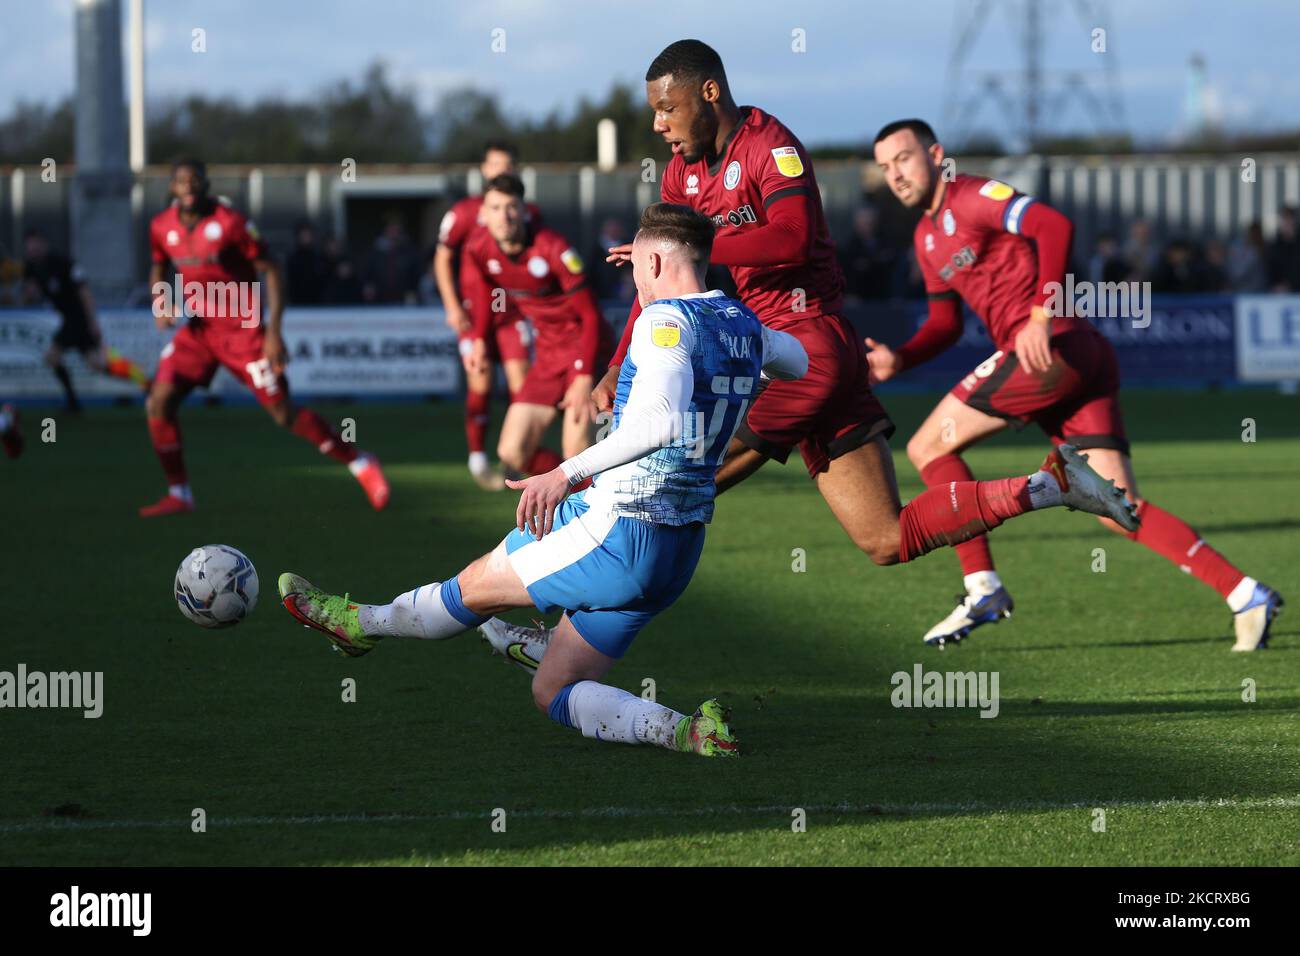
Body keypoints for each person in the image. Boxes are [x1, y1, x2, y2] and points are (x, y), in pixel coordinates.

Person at [590, 41, 1136, 581]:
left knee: (672, 482)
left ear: (709, 93)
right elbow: (657, 278)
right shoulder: (678, 177)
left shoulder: (770, 145)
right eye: (655, 112)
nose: (659, 125)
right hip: (797, 358)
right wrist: (618, 365)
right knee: (886, 537)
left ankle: (570, 606)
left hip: (805, 347)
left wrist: (701, 245)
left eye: (667, 108)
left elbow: (793, 239)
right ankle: (1049, 486)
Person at [277, 203, 809, 757]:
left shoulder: (664, 321)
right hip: (678, 551)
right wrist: (740, 371)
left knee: (467, 595)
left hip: (619, 531)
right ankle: (688, 731)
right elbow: (796, 361)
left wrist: (563, 472)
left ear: (651, 259)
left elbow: (659, 421)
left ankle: (360, 624)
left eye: (636, 269)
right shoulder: (742, 323)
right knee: (551, 690)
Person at [867, 119, 1282, 651]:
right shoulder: (926, 237)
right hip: (1075, 356)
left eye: (903, 158)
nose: (894, 174)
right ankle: (1244, 592)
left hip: (1049, 348)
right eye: (884, 166)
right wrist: (900, 358)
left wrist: (1040, 314)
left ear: (936, 154)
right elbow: (945, 325)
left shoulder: (972, 196)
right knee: (1119, 507)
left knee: (927, 446)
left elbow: (1054, 226)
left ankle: (982, 586)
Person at [139, 158, 390, 517]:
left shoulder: (231, 223)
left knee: (282, 413)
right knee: (159, 401)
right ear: (172, 189)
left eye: (196, 181)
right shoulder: (161, 226)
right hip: (200, 331)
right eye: (182, 182)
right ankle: (179, 493)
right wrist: (161, 299)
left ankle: (360, 461)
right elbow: (158, 263)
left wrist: (273, 331)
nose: (189, 187)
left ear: (206, 185)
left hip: (244, 331)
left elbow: (272, 270)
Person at [461, 174, 612, 481]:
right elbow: (486, 298)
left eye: (511, 207)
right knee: (512, 452)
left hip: (586, 350)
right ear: (484, 213)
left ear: (525, 210)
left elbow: (591, 316)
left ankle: (589, 514)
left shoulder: (553, 247)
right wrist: (478, 338)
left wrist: (584, 376)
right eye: (496, 207)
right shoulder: (479, 249)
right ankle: (577, 487)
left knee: (576, 452)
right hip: (547, 355)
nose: (504, 216)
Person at [432, 142, 541, 490]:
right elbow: (442, 258)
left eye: (508, 166)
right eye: (496, 166)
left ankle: (516, 456)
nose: (502, 172)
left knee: (521, 386)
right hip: (473, 314)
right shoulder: (464, 213)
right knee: (479, 380)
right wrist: (451, 305)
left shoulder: (527, 213)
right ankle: (477, 457)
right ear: (484, 170)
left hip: (511, 315)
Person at [21, 230, 148, 411]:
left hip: (78, 318)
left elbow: (84, 293)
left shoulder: (62, 263)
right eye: (30, 247)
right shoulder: (31, 268)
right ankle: (141, 377)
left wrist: (92, 321)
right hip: (68, 319)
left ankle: (73, 403)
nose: (33, 250)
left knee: (53, 356)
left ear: (44, 244)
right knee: (96, 363)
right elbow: (29, 295)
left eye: (36, 245)